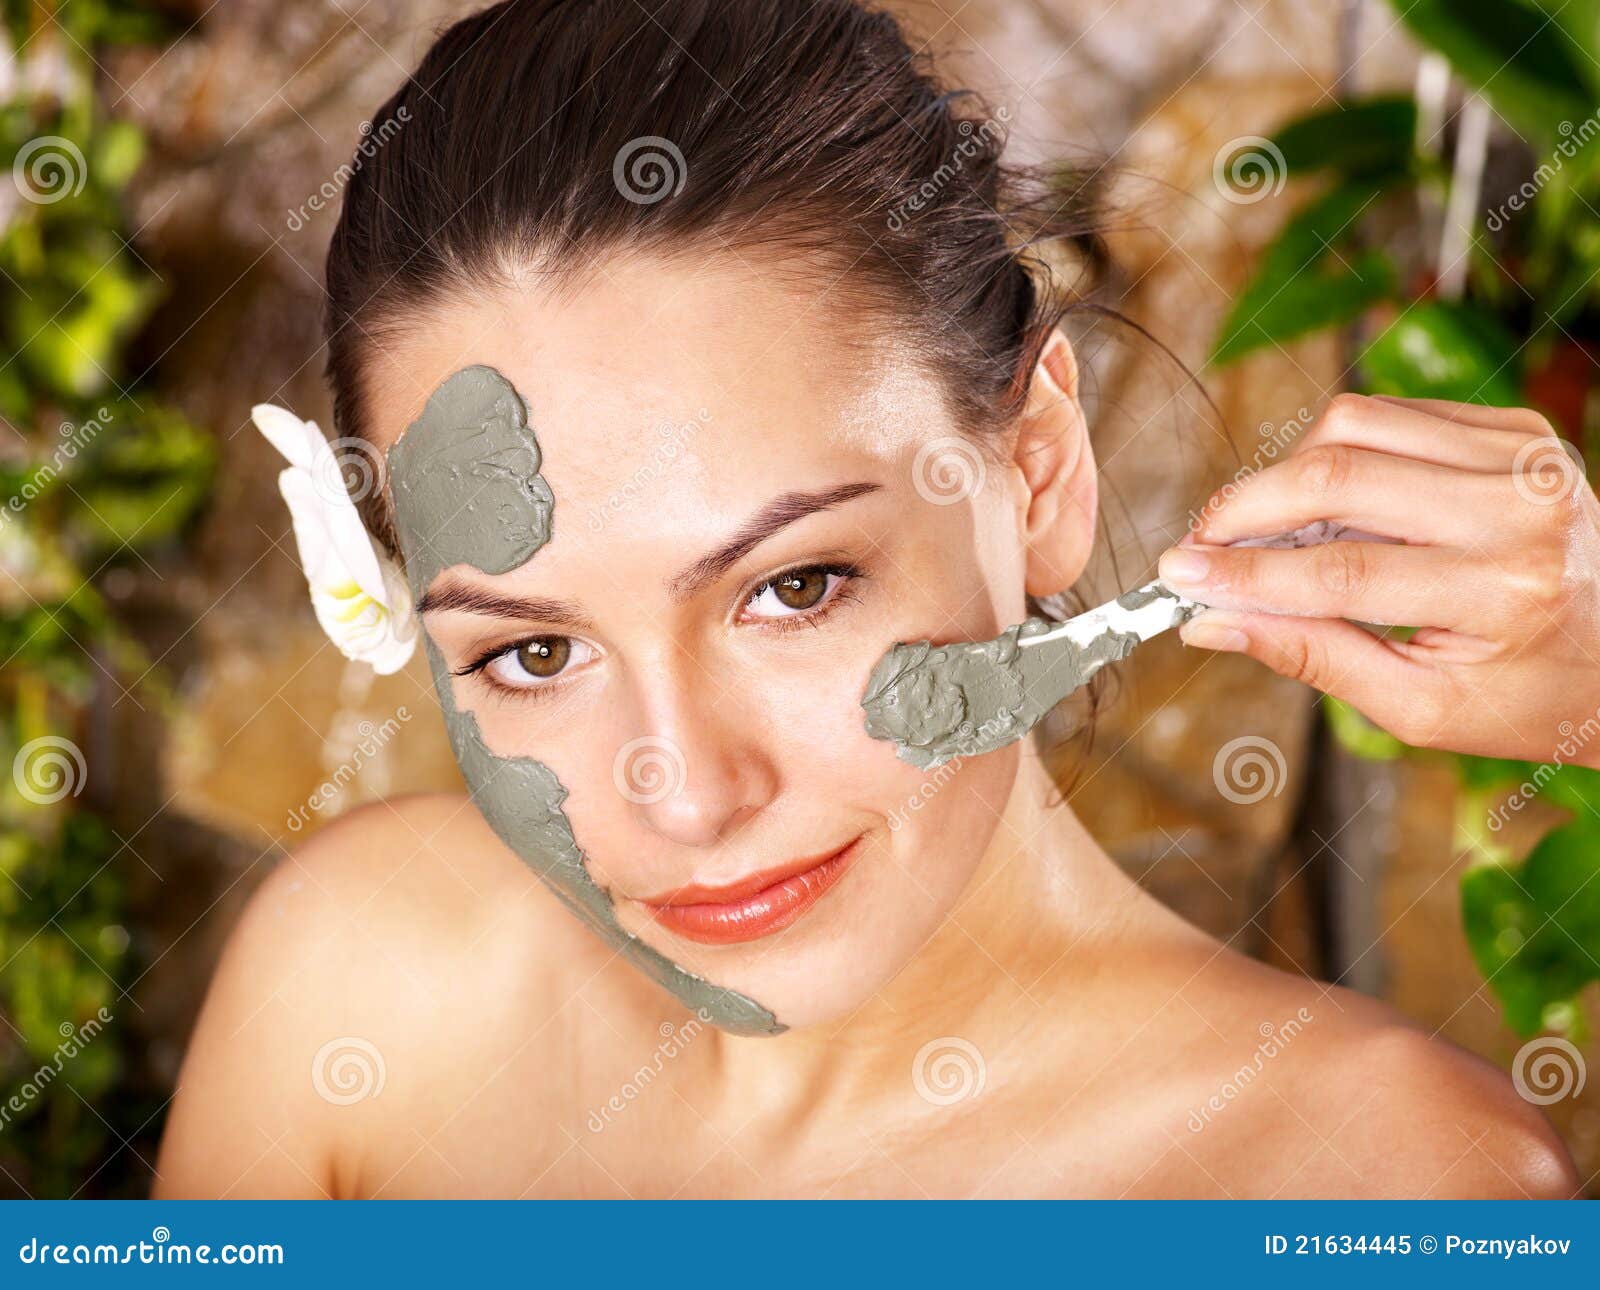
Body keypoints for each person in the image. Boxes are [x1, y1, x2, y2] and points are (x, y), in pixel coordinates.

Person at [155, 0, 1595, 1198]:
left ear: (1034, 469)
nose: (688, 796)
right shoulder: (358, 986)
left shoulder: (1384, 1176)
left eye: (792, 586)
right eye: (534, 649)